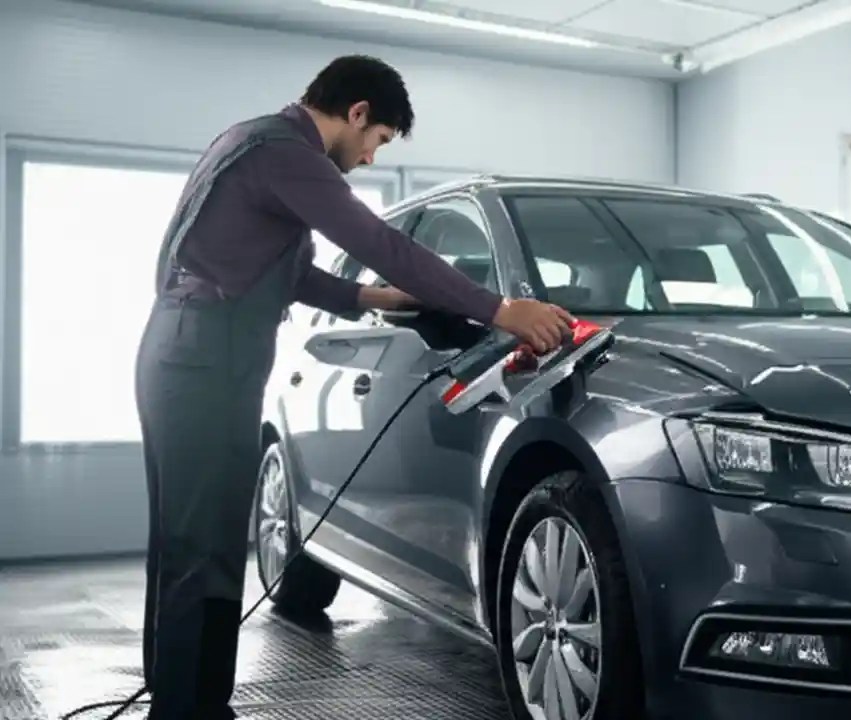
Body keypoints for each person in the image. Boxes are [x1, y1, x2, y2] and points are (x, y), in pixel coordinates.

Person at [133, 55, 573, 719]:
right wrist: (498, 310)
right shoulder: (289, 154)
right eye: (379, 140)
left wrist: (372, 298)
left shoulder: (250, 139)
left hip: (187, 350)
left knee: (190, 540)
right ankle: (189, 709)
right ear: (358, 112)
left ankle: (182, 699)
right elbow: (379, 241)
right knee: (205, 545)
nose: (370, 157)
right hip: (206, 356)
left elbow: (290, 272)